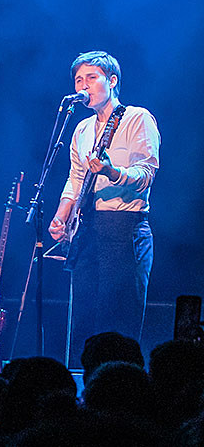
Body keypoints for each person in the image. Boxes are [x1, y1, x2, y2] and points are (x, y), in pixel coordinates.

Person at [48, 50, 159, 364]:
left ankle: (120, 382)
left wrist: (112, 171)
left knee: (118, 318)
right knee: (84, 316)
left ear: (111, 81)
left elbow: (146, 173)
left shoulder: (137, 118)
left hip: (125, 226)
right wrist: (61, 216)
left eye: (91, 78)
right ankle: (83, 381)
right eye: (78, 80)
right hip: (88, 229)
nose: (83, 85)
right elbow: (75, 177)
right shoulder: (82, 129)